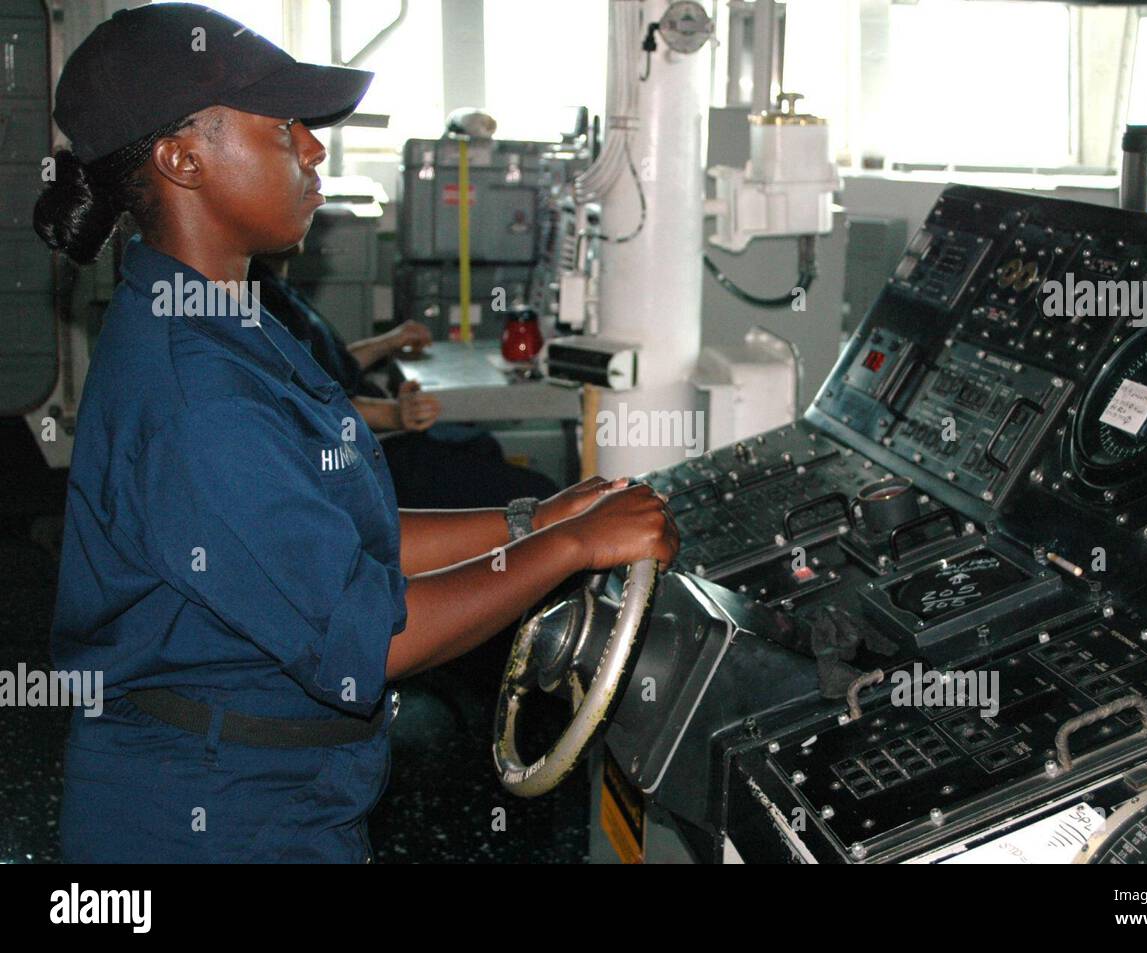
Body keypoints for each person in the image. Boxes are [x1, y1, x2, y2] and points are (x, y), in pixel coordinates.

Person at [37, 3, 677, 863]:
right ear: (181, 158)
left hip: (280, 789)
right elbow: (371, 641)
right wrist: (568, 553)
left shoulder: (227, 323)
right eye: (283, 127)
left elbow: (352, 542)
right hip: (214, 815)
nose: (313, 148)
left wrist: (540, 518)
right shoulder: (197, 398)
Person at [247, 249, 560, 508]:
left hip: (380, 438)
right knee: (539, 493)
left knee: (482, 444)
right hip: (366, 456)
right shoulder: (256, 298)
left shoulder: (276, 286)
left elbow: (327, 368)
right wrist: (394, 413)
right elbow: (304, 400)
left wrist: (389, 341)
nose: (314, 192)